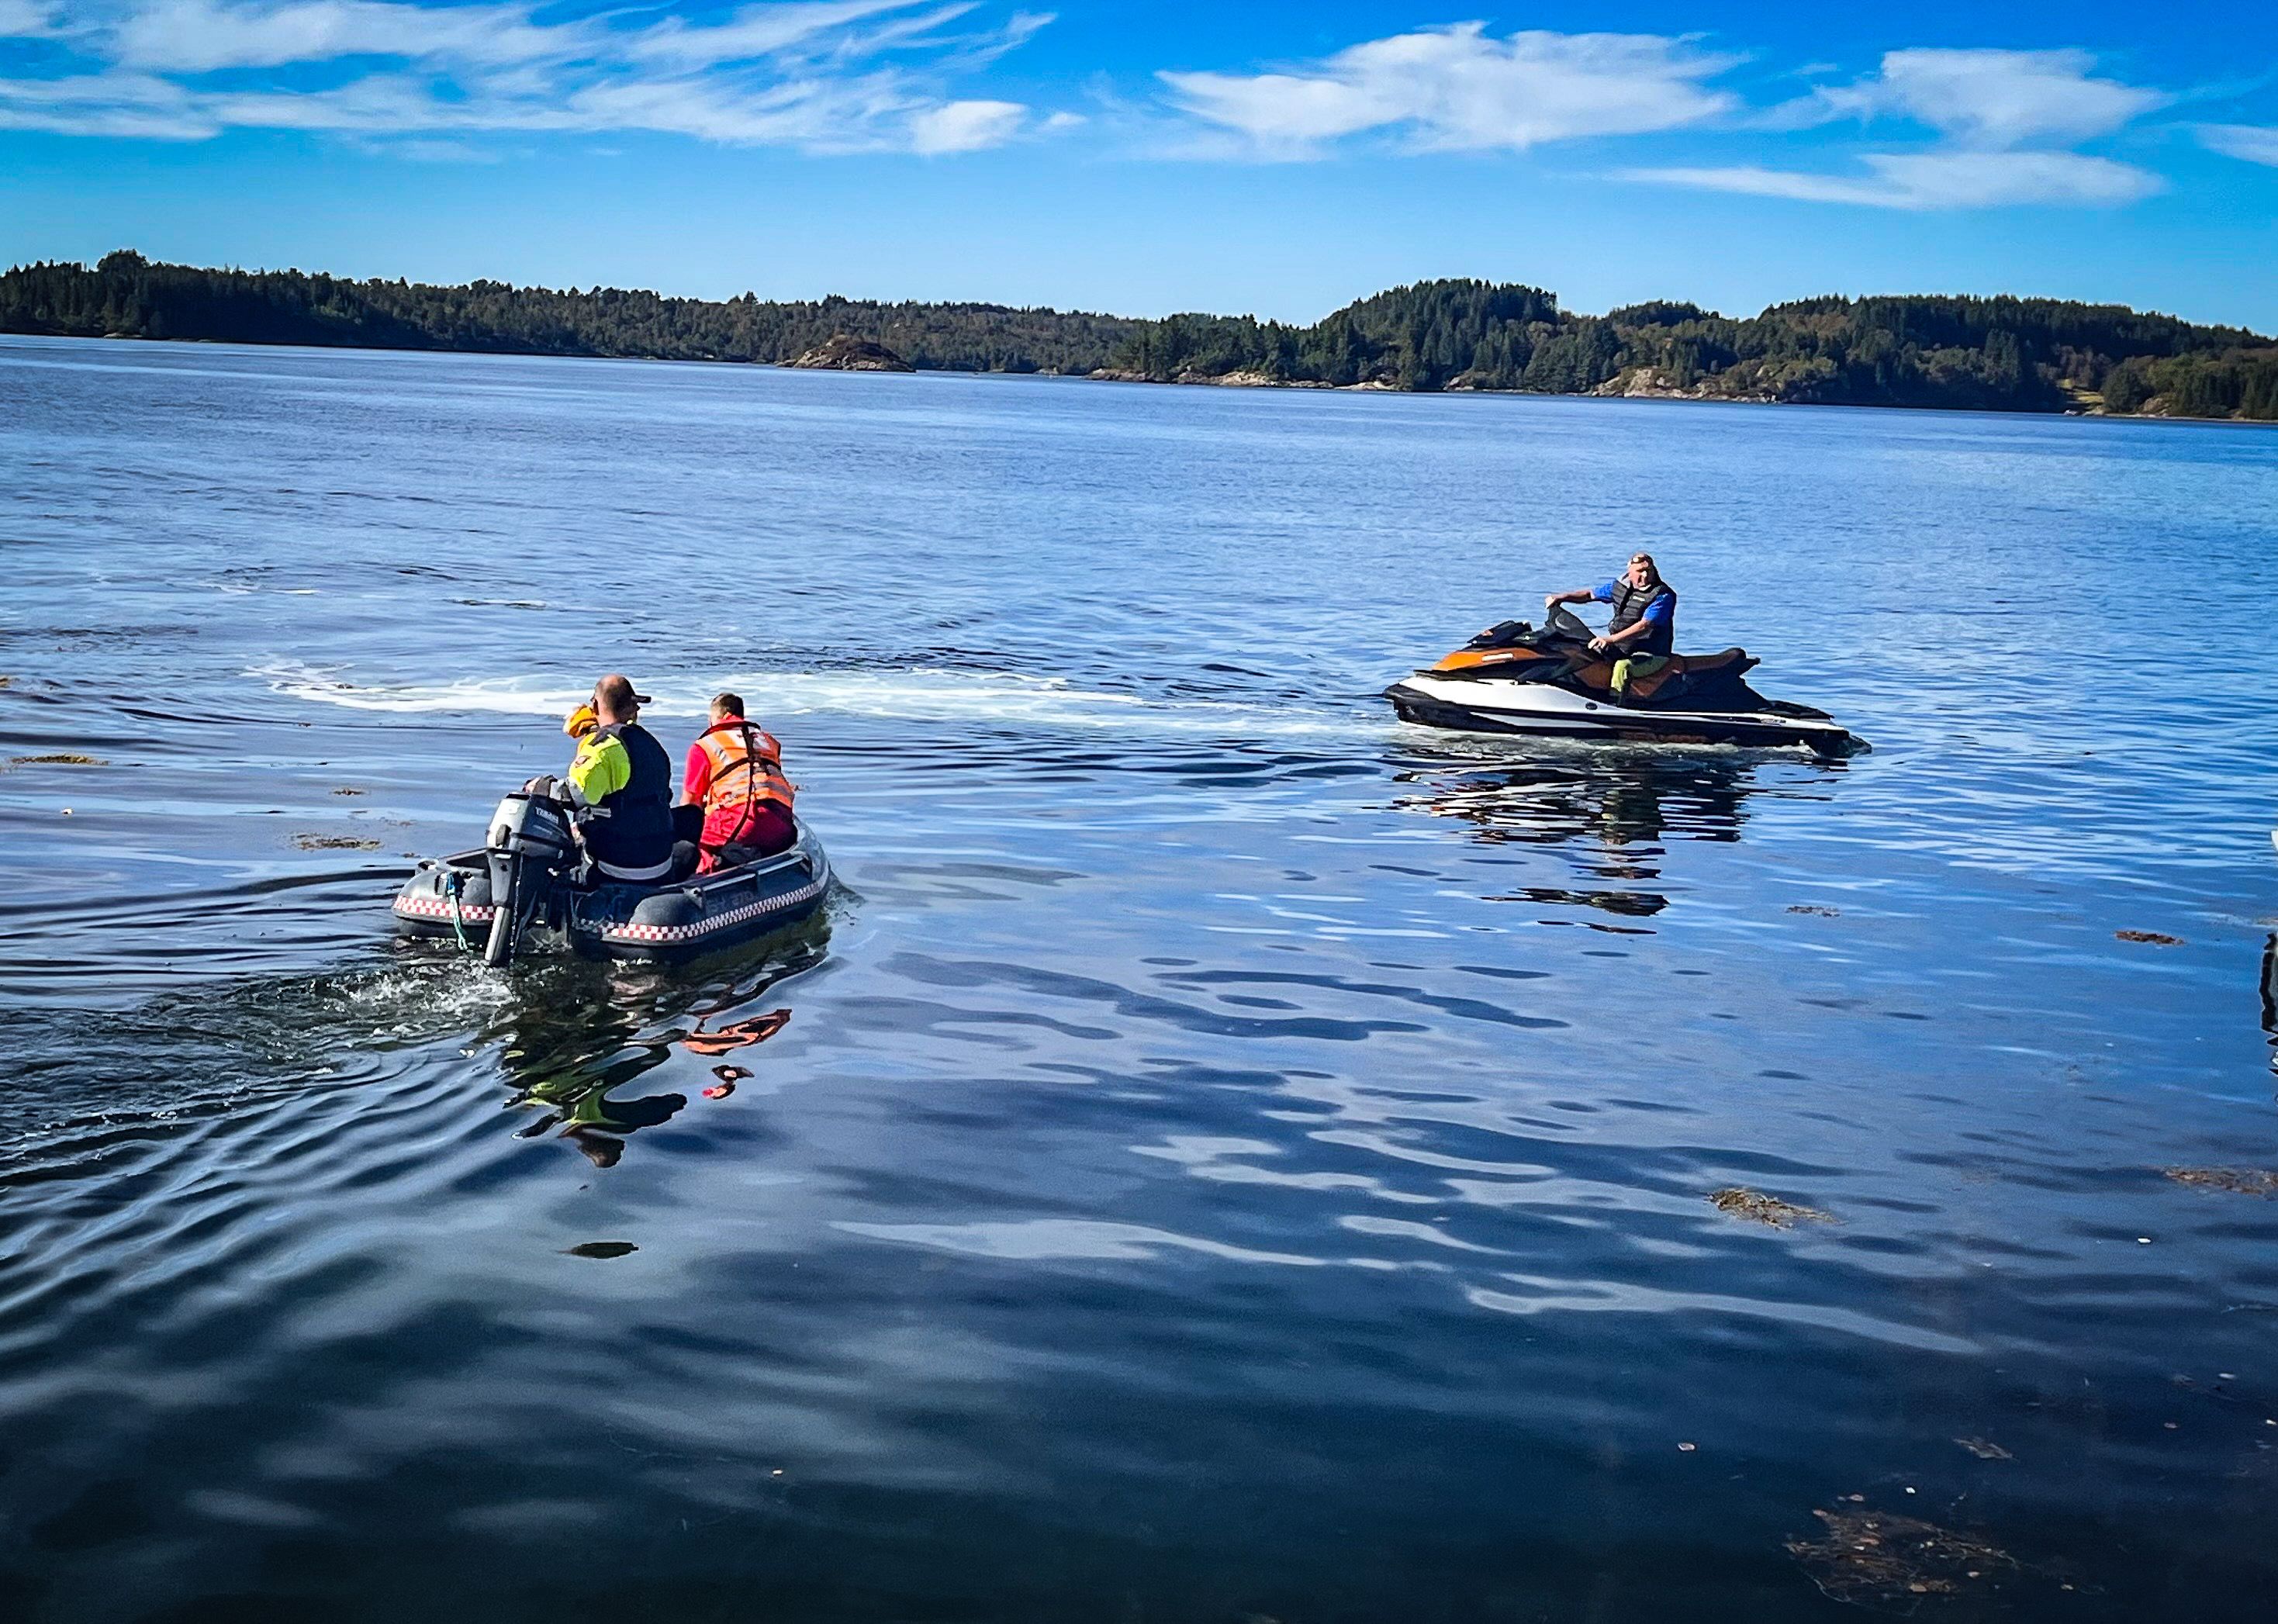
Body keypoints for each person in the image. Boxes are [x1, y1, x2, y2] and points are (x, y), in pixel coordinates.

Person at [555, 673, 679, 883]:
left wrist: (541, 787)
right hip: (659, 862)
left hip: (618, 864)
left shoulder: (602, 748)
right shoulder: (652, 745)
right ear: (634, 708)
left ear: (594, 706)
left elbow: (575, 793)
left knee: (556, 867)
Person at [681, 692, 797, 872]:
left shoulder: (703, 746)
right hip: (781, 824)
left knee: (685, 841)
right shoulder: (769, 741)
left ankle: (711, 870)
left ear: (716, 718)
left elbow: (690, 804)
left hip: (743, 823)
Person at [1545, 551, 1678, 702]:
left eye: (1649, 571)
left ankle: (1616, 705)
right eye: (1640, 571)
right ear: (1630, 572)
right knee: (1583, 652)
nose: (1645, 575)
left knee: (1623, 667)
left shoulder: (1662, 596)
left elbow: (1645, 626)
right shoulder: (1620, 586)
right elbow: (1590, 595)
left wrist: (1610, 639)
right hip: (1620, 648)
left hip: (1651, 653)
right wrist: (1562, 597)